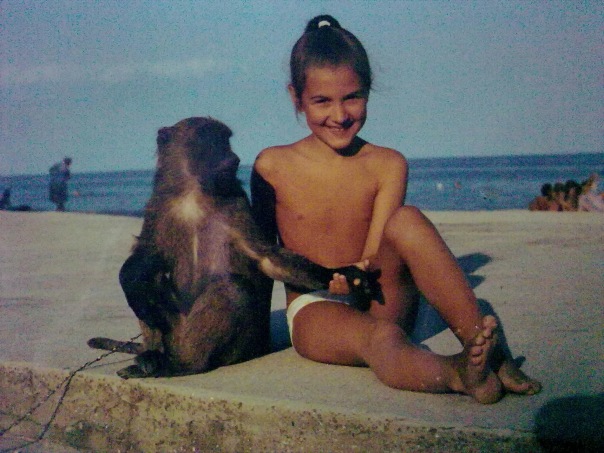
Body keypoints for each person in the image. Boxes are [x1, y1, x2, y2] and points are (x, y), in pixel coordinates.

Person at [251, 15, 541, 403]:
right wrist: (255, 332)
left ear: (368, 91)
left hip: (378, 294)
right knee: (381, 337)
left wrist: (359, 273)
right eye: (322, 101)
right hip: (315, 307)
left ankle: (490, 351)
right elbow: (261, 258)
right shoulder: (272, 165)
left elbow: (377, 252)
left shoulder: (388, 163)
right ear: (296, 97)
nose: (340, 115)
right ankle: (455, 372)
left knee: (407, 219)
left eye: (352, 97)